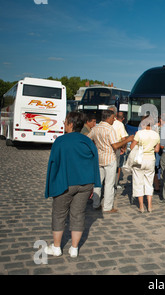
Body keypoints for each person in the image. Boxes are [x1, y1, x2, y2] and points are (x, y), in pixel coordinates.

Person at [44, 112, 101, 258]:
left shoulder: (61, 141)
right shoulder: (87, 141)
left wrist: (51, 185)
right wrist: (94, 183)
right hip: (85, 183)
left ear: (70, 123)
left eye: (65, 121)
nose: (63, 124)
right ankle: (74, 248)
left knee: (59, 214)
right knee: (78, 214)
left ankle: (57, 247)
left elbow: (53, 164)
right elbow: (94, 162)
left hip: (65, 182)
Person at [88, 110, 134, 213]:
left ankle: (96, 204)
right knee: (109, 184)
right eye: (113, 118)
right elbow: (115, 145)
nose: (114, 120)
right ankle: (107, 207)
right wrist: (127, 140)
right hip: (109, 158)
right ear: (108, 118)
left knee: (98, 183)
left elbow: (88, 139)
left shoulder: (95, 128)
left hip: (99, 158)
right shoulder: (110, 129)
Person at [130, 115, 160, 213]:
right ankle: (150, 206)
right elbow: (157, 149)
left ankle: (141, 206)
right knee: (149, 182)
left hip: (140, 160)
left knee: (138, 182)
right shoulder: (156, 134)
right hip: (150, 160)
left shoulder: (139, 133)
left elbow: (131, 146)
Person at [111, 109, 129, 190]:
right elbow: (124, 138)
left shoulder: (106, 123)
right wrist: (124, 149)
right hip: (117, 147)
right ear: (123, 118)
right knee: (117, 166)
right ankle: (115, 183)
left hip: (108, 147)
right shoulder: (120, 124)